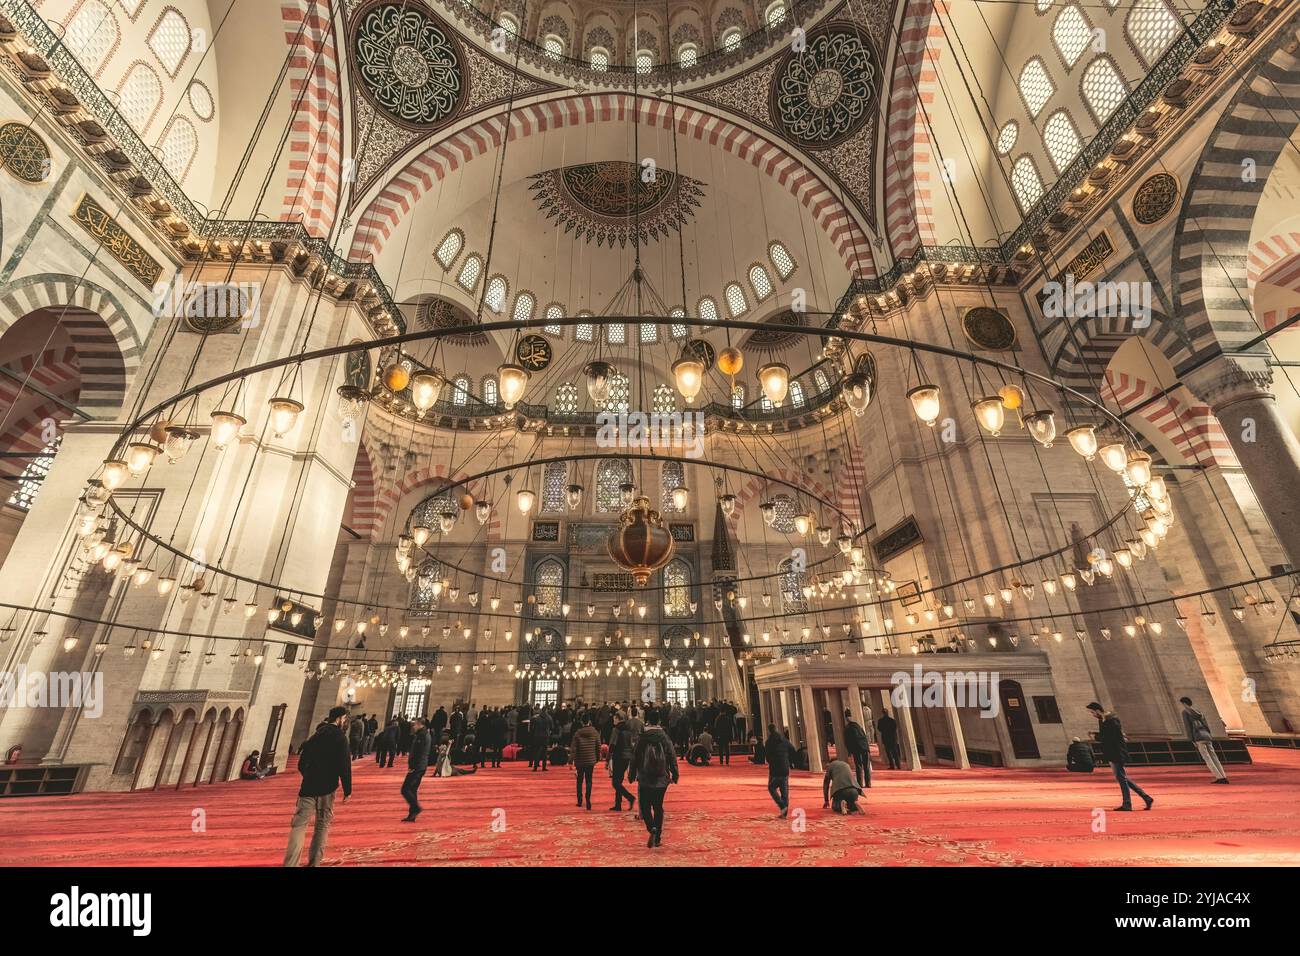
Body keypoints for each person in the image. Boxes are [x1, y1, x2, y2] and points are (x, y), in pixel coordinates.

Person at [283, 706, 352, 867]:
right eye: (344, 719)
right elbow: (344, 766)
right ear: (339, 718)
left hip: (308, 787)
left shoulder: (315, 736)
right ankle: (314, 863)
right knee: (322, 825)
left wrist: (309, 776)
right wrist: (348, 790)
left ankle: (290, 864)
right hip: (327, 789)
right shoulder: (340, 738)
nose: (345, 722)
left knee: (298, 826)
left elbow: (301, 763)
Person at [1088, 702, 1153, 811]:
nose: (1092, 714)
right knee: (1122, 777)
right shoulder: (1104, 720)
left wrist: (1096, 736)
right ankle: (1146, 798)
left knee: (1121, 778)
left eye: (1092, 712)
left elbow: (1111, 737)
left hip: (1116, 753)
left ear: (1098, 711)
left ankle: (1127, 804)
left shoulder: (1112, 721)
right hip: (1112, 752)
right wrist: (1097, 734)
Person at [629, 708, 678, 848]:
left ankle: (652, 828)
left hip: (645, 777)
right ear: (660, 721)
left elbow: (635, 756)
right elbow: (672, 755)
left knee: (645, 806)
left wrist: (632, 774)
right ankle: (658, 838)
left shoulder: (642, 737)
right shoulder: (664, 736)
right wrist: (675, 773)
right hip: (661, 778)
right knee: (658, 807)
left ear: (647, 721)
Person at [1180, 696, 1229, 783]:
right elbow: (1206, 725)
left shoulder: (1185, 712)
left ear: (1184, 704)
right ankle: (1223, 776)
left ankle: (1219, 777)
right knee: (1214, 757)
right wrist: (1209, 735)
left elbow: (1188, 727)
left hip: (1198, 737)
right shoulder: (1199, 712)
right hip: (1207, 736)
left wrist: (1192, 740)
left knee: (1207, 759)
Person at [401, 717, 431, 822]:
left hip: (417, 767)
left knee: (405, 789)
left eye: (414, 725)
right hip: (420, 766)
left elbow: (418, 753)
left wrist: (412, 767)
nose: (413, 727)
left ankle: (416, 808)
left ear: (419, 724)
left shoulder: (422, 735)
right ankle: (412, 814)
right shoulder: (422, 734)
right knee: (412, 790)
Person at [607, 711, 637, 812]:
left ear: (617, 718)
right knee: (618, 781)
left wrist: (608, 759)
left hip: (618, 757)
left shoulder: (616, 730)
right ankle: (618, 804)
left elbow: (612, 745)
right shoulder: (628, 729)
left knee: (615, 783)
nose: (613, 721)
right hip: (627, 757)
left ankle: (630, 797)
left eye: (614, 719)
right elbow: (631, 744)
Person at [571, 713, 601, 809]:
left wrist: (571, 760)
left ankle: (579, 801)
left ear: (581, 722)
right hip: (590, 760)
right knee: (589, 780)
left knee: (579, 781)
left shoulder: (578, 733)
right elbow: (598, 746)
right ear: (589, 721)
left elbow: (574, 748)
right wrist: (596, 758)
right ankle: (588, 799)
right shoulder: (595, 732)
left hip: (580, 760)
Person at [765, 723, 795, 818]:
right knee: (784, 790)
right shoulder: (784, 740)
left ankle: (782, 806)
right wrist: (789, 761)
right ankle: (784, 812)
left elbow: (767, 756)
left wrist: (771, 762)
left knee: (771, 787)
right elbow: (792, 750)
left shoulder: (769, 742)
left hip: (775, 769)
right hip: (785, 767)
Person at [844, 709, 872, 788]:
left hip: (857, 749)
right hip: (865, 748)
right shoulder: (858, 726)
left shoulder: (847, 728)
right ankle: (868, 783)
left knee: (859, 766)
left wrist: (849, 752)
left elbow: (847, 741)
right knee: (866, 766)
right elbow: (864, 737)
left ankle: (860, 784)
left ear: (846, 718)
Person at [530, 707, 554, 771]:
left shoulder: (536, 718)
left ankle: (535, 767)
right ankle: (544, 767)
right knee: (544, 752)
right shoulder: (549, 718)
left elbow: (533, 727)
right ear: (546, 710)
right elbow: (552, 727)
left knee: (536, 751)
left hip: (537, 736)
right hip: (545, 736)